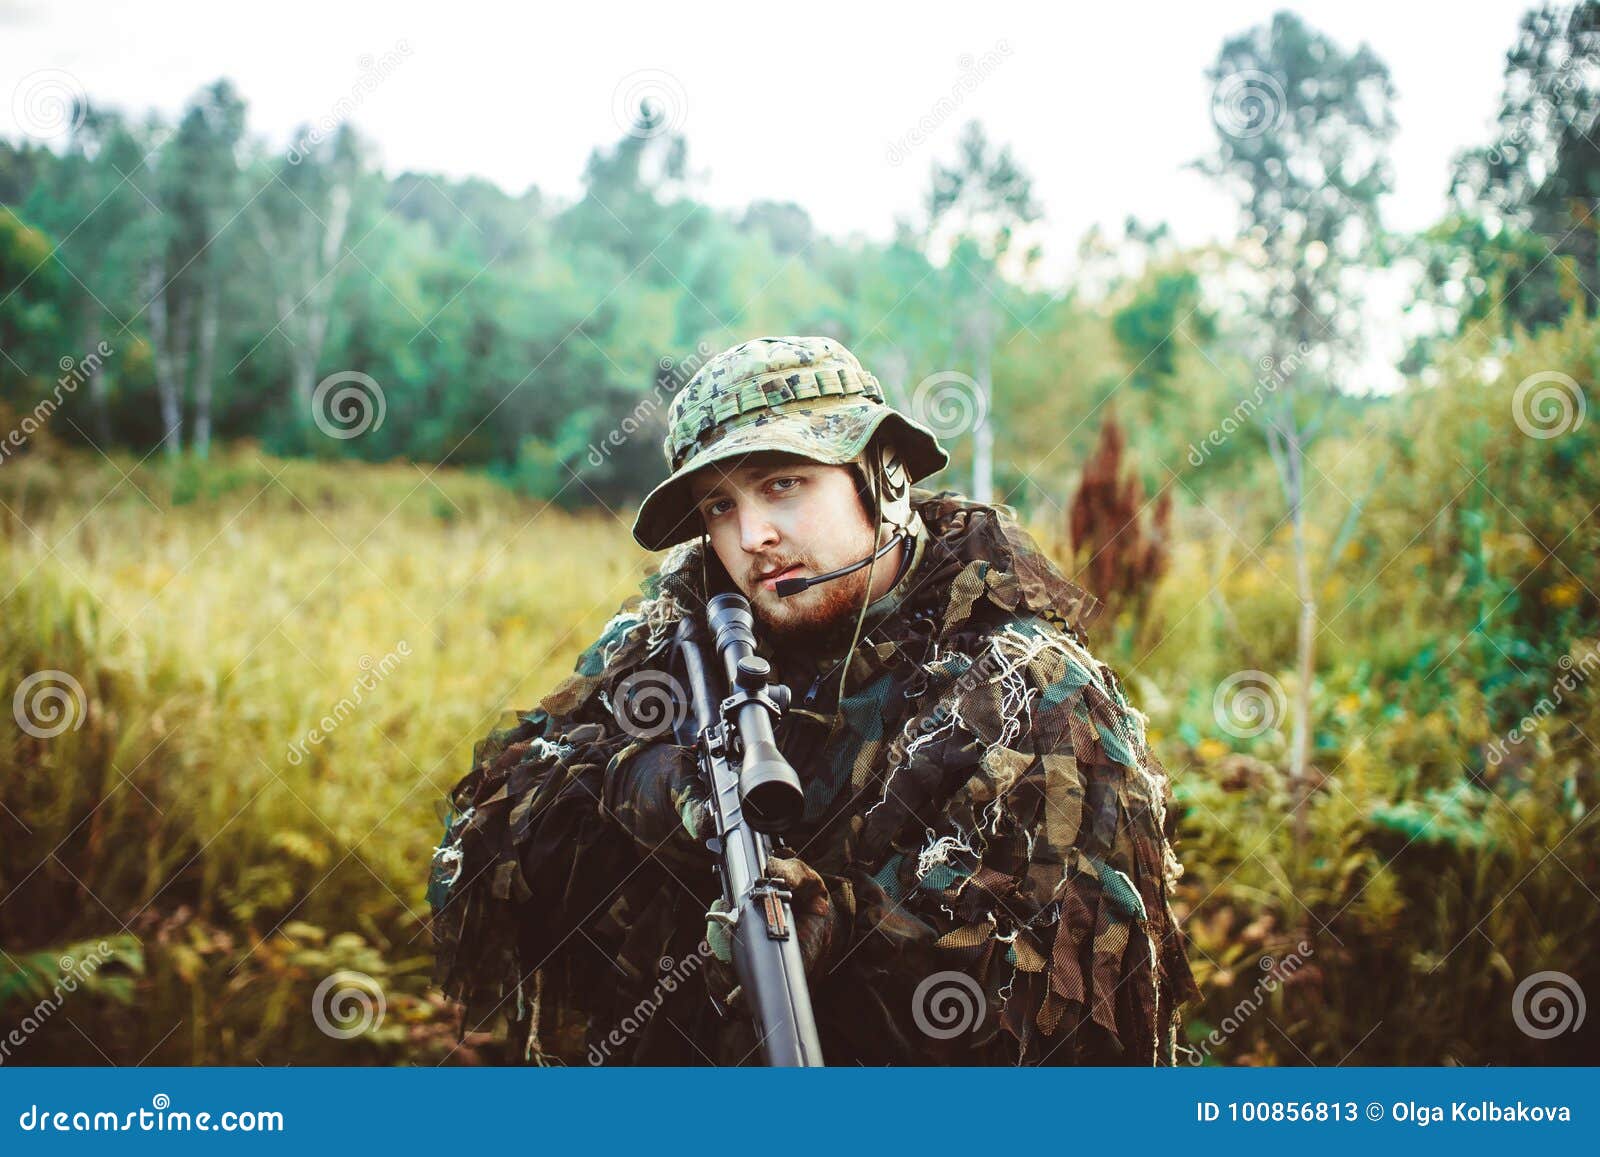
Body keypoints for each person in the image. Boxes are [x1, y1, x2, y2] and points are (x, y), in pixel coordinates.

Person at [429, 335, 1197, 1065]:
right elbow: (491, 836)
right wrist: (654, 789)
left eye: (782, 484)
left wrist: (846, 932)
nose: (752, 534)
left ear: (884, 477)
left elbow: (1064, 1015)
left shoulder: (1028, 693)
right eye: (719, 507)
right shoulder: (675, 637)